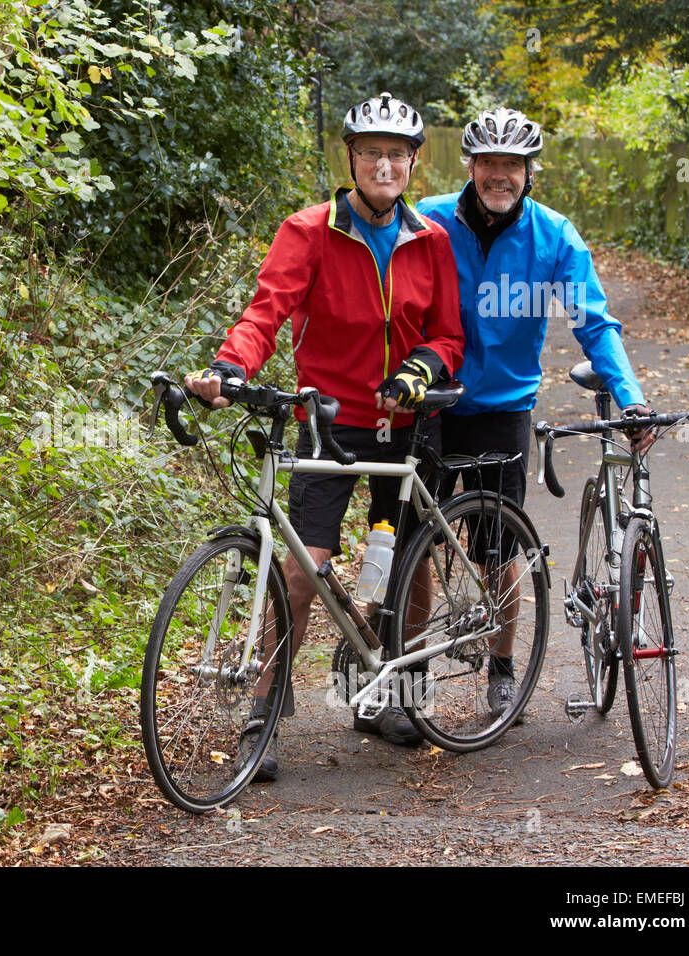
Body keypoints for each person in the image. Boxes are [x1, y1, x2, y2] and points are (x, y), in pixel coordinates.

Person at [185, 93, 464, 778]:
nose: (385, 164)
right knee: (302, 569)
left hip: (402, 428)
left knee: (408, 566)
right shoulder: (309, 230)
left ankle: (392, 691)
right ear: (352, 159)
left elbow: (449, 337)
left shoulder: (431, 240)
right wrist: (229, 367)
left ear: (412, 164)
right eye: (372, 152)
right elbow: (265, 313)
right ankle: (265, 712)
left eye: (397, 153)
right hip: (329, 425)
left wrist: (416, 373)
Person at [416, 108, 653, 718]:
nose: (500, 175)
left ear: (529, 171)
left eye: (512, 164)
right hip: (432, 403)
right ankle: (404, 673)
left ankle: (501, 668)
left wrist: (630, 396)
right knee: (414, 539)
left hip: (503, 407)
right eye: (488, 162)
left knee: (500, 546)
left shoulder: (555, 237)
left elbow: (594, 323)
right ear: (470, 166)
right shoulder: (430, 220)